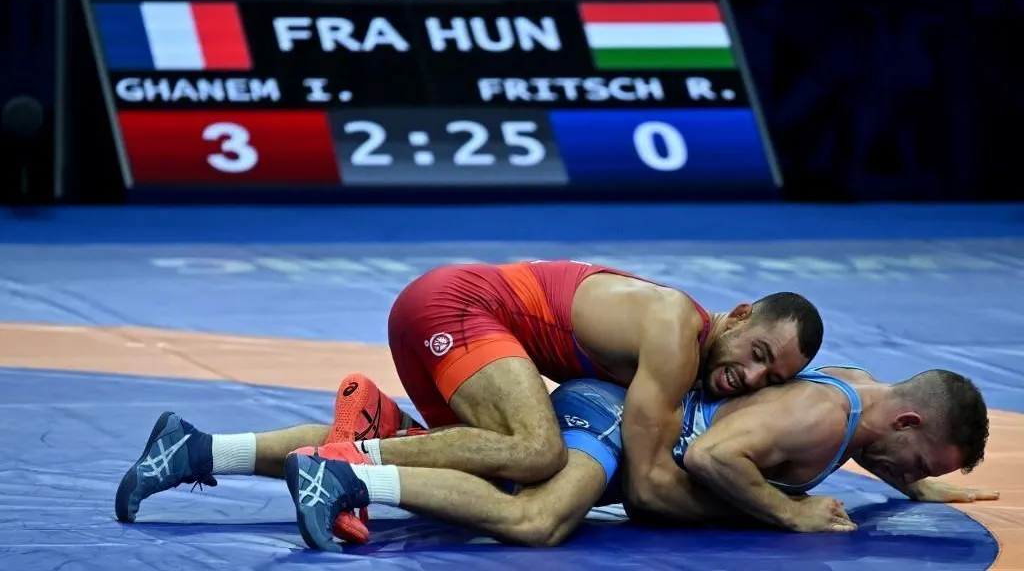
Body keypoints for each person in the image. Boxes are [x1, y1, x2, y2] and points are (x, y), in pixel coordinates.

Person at [115, 260, 824, 523]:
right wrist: (778, 510)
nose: (753, 378)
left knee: (469, 461)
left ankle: (199, 449)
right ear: (737, 317)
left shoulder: (694, 350)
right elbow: (646, 489)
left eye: (773, 378)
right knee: (537, 450)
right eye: (758, 354)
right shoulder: (676, 332)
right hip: (457, 307)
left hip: (452, 321)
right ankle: (344, 459)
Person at [284, 365, 995, 551]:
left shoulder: (867, 401)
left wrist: (917, 486)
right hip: (614, 421)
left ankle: (365, 439)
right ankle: (346, 473)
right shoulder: (823, 414)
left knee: (482, 471)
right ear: (906, 420)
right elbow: (713, 457)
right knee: (536, 522)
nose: (910, 471)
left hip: (623, 428)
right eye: (918, 461)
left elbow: (875, 445)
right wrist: (789, 512)